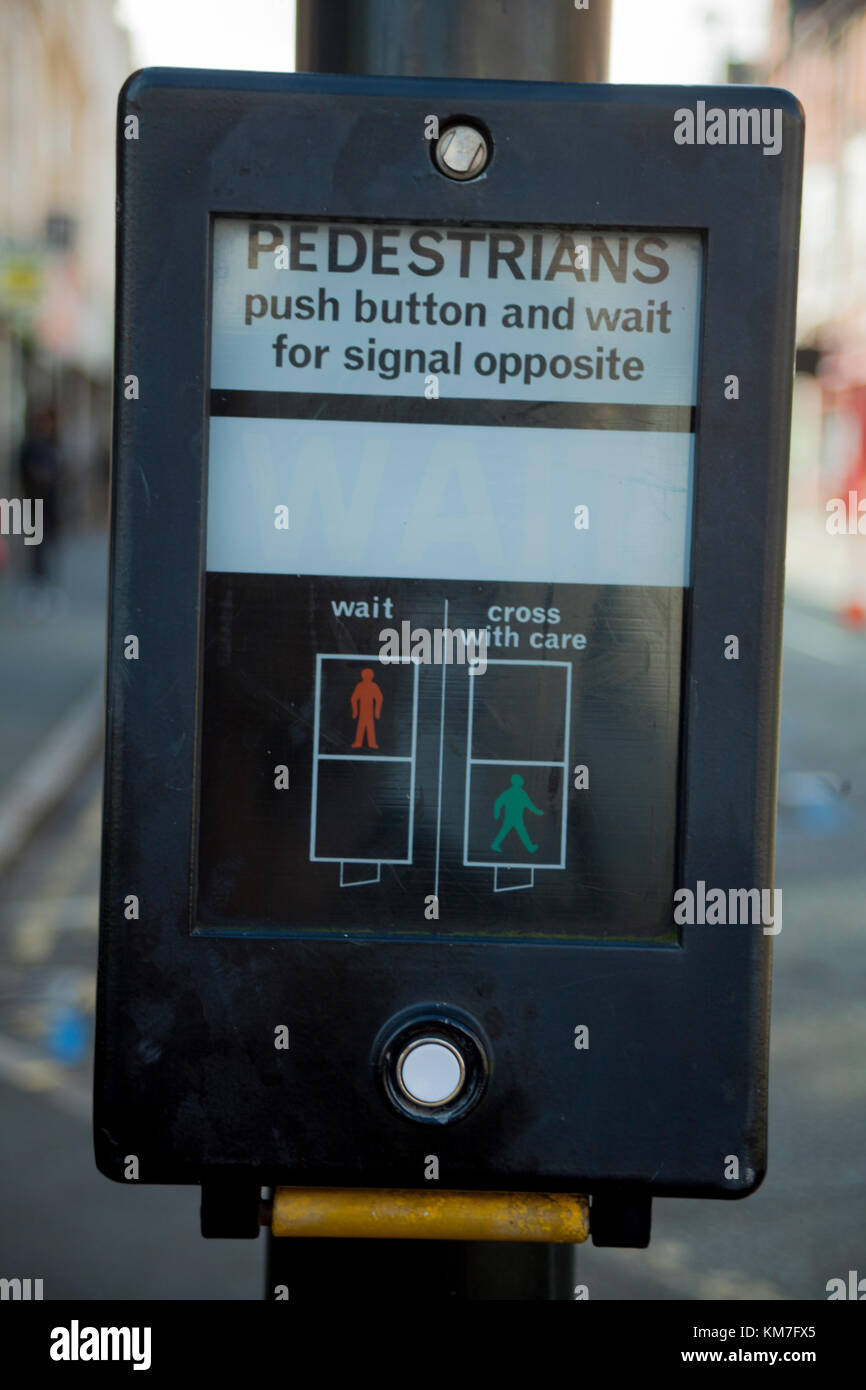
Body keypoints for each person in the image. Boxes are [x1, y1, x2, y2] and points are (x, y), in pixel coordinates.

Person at [491, 773, 544, 854]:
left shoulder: (509, 792)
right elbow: (530, 805)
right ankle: (530, 847)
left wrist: (497, 814)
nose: (521, 782)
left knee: (510, 831)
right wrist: (538, 812)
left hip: (513, 817)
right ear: (518, 782)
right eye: (520, 781)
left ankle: (530, 847)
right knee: (519, 832)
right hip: (514, 818)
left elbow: (497, 803)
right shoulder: (520, 793)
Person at [350, 667, 383, 749]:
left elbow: (379, 698)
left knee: (369, 726)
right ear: (362, 676)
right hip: (362, 711)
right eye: (366, 675)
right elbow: (354, 699)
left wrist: (377, 712)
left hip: (370, 711)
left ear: (372, 676)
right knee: (361, 726)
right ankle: (358, 743)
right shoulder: (360, 686)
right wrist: (355, 712)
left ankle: (371, 743)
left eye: (369, 675)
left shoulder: (374, 686)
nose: (367, 677)